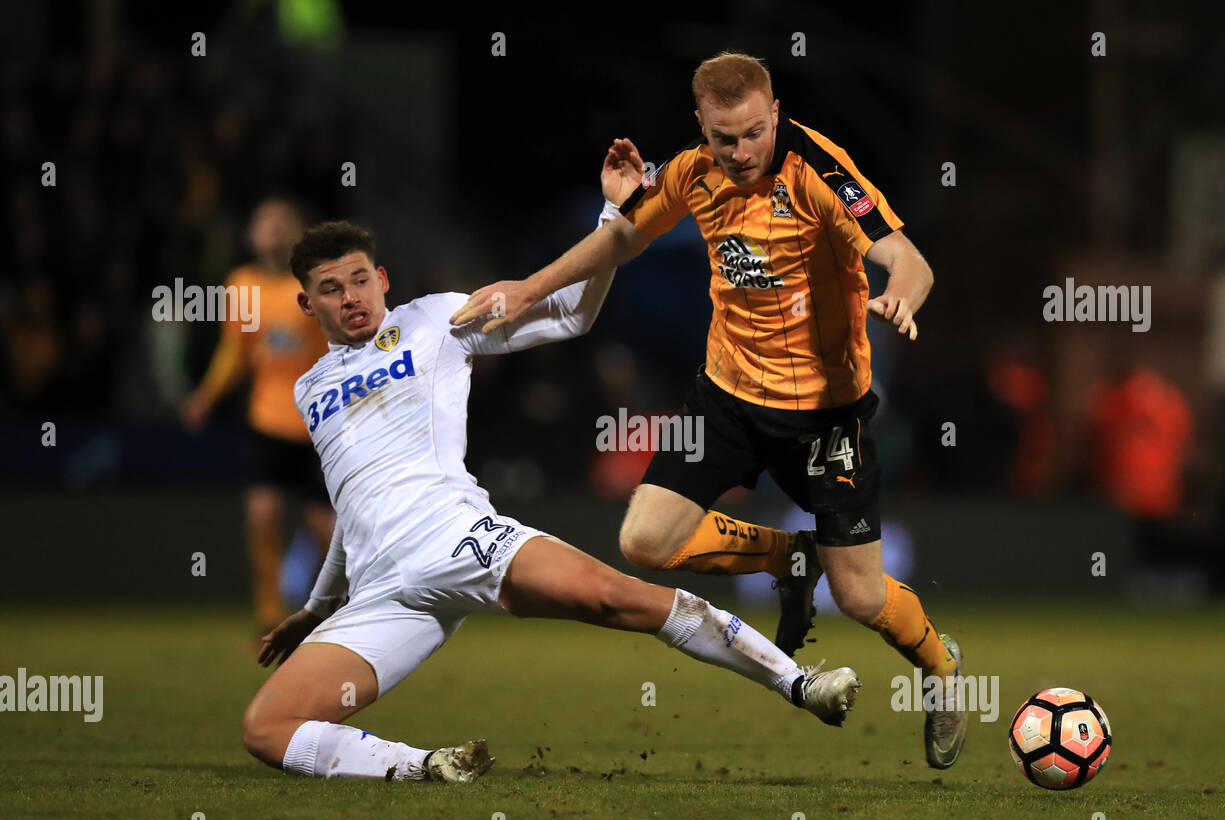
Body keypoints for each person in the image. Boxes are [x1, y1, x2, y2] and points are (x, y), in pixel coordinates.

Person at [241, 145, 861, 783]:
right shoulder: (310, 389)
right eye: (330, 288)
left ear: (384, 280)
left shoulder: (434, 321)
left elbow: (572, 315)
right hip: (383, 591)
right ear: (305, 304)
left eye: (360, 279)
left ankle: (798, 681)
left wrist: (611, 214)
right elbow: (352, 500)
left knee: (619, 600)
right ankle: (427, 767)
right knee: (265, 727)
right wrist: (318, 608)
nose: (350, 297)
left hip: (457, 537)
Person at [450, 51, 967, 769]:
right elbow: (624, 236)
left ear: (775, 112)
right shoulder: (693, 171)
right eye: (725, 137)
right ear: (702, 125)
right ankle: (789, 559)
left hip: (825, 416)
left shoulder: (820, 169)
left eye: (753, 132)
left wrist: (902, 293)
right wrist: (528, 287)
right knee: (643, 543)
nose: (741, 151)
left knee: (860, 597)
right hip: (726, 397)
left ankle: (941, 666)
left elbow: (907, 256)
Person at [181, 198, 335, 638]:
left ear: (296, 234)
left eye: (280, 222)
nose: (271, 229)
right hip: (265, 420)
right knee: (262, 515)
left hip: (315, 423)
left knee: (323, 526)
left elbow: (333, 348)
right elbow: (236, 352)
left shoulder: (312, 284)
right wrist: (206, 396)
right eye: (263, 221)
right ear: (252, 233)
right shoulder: (241, 284)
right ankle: (269, 616)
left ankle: (334, 610)